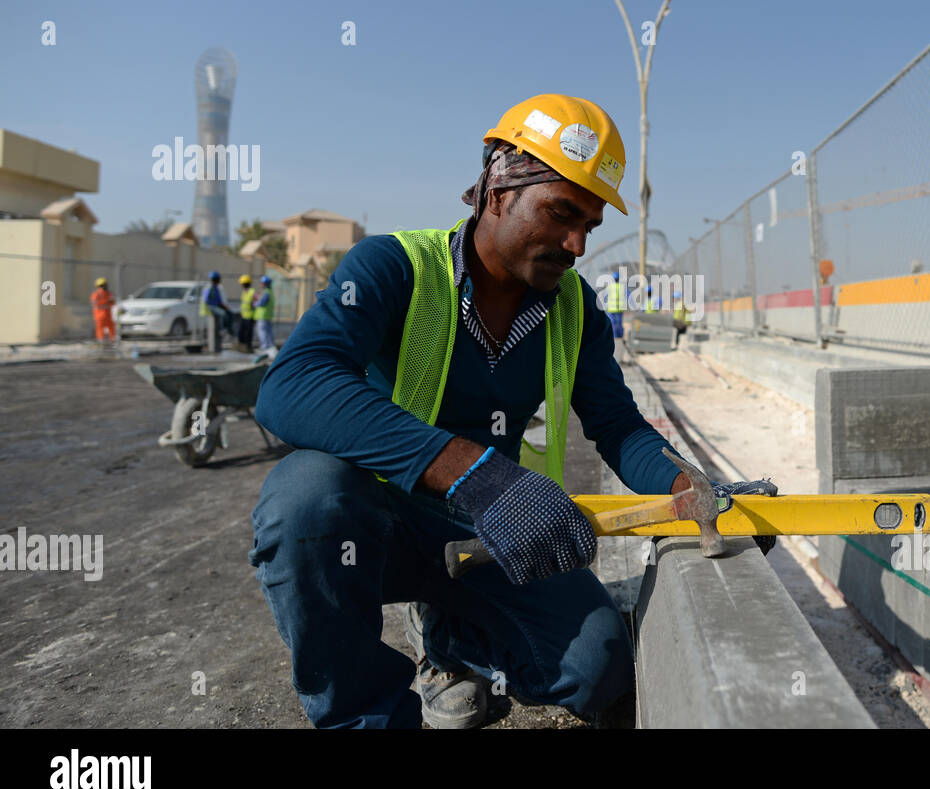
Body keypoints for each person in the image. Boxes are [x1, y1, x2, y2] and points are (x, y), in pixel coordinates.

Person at [249, 93, 775, 729]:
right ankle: (368, 718)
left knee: (596, 667)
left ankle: (451, 639)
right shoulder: (393, 268)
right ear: (497, 188)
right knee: (306, 496)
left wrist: (694, 488)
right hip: (381, 523)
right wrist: (478, 474)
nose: (577, 242)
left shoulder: (575, 310)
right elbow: (292, 384)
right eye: (561, 213)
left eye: (589, 224)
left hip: (496, 535)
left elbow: (618, 428)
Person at [199, 271, 230, 354]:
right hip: (210, 308)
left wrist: (225, 308)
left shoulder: (216, 288)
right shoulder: (209, 287)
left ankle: (225, 330)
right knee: (223, 314)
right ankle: (223, 329)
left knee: (228, 314)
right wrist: (217, 306)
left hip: (214, 307)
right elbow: (207, 300)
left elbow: (219, 300)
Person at [90, 277, 116, 345]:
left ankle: (109, 341)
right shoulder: (97, 294)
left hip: (106, 315)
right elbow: (96, 305)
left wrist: (106, 304)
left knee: (110, 328)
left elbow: (112, 302)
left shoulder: (108, 293)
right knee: (101, 329)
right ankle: (102, 342)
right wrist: (107, 305)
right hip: (100, 315)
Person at [252, 275, 275, 351]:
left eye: (262, 283)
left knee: (263, 332)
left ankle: (265, 347)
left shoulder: (267, 293)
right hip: (267, 316)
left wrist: (254, 304)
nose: (261, 284)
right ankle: (270, 346)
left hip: (263, 316)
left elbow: (262, 303)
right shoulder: (270, 292)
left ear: (265, 283)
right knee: (268, 332)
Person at [603, 269, 625, 338]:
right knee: (619, 324)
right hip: (619, 309)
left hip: (610, 309)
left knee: (612, 324)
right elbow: (628, 296)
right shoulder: (622, 287)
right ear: (618, 279)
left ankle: (614, 336)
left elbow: (605, 297)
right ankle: (620, 336)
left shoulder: (609, 287)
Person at [237, 274, 256, 352]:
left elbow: (256, 302)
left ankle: (248, 348)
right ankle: (241, 346)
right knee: (241, 332)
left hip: (250, 316)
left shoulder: (252, 292)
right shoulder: (244, 292)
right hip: (244, 315)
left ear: (245, 284)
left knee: (248, 334)